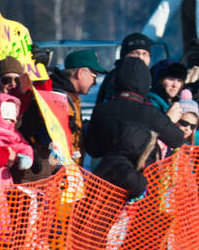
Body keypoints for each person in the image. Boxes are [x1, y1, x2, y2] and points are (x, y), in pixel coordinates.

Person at [85, 57, 185, 201]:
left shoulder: (102, 110)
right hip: (142, 186)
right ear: (146, 82)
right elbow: (177, 139)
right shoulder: (150, 113)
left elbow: (93, 149)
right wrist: (167, 120)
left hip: (105, 185)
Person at [49, 48, 109, 160]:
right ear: (80, 73)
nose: (95, 83)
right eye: (94, 76)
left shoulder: (71, 98)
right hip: (60, 172)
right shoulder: (59, 100)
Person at [95, 33, 153, 106]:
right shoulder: (115, 77)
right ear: (124, 56)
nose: (140, 58)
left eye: (144, 54)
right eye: (135, 53)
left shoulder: (153, 75)